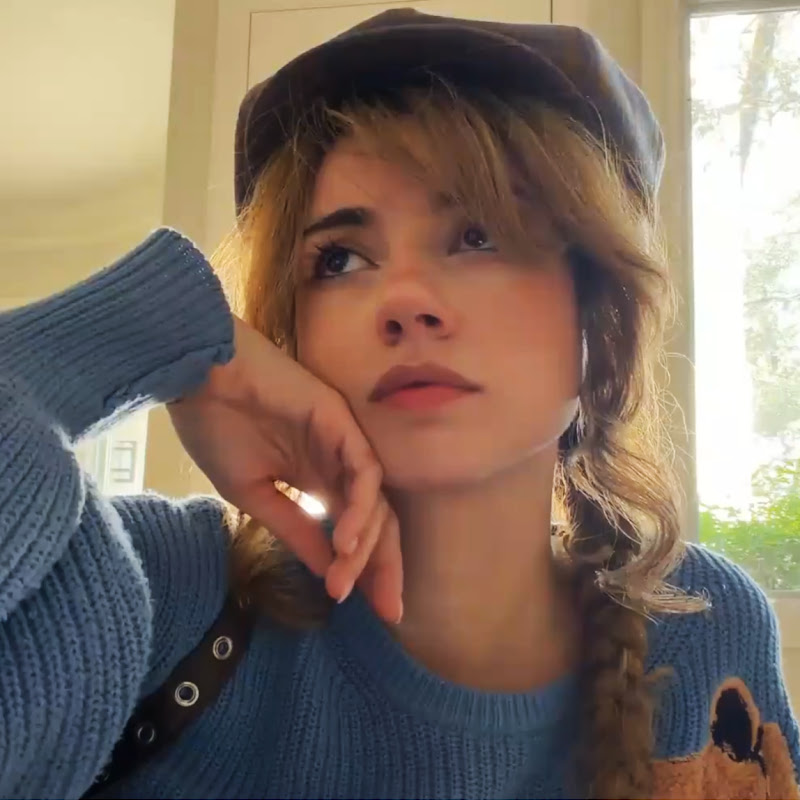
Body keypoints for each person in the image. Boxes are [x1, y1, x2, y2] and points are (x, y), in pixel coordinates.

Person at [0, 8, 797, 799]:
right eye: (340, 259)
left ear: (601, 315)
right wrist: (151, 333)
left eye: (480, 236)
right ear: (290, 334)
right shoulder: (168, 591)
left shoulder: (706, 629)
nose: (406, 300)